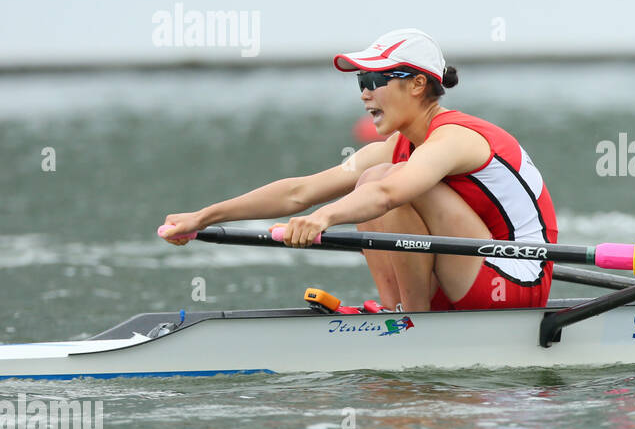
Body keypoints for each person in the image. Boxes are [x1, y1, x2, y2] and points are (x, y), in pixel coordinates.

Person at [161, 28, 558, 312]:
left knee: (380, 180)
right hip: (469, 272)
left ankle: (411, 322)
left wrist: (323, 219)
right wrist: (203, 216)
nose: (365, 91)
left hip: (516, 280)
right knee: (378, 175)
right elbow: (299, 192)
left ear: (418, 84)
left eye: (374, 78)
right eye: (360, 80)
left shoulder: (455, 138)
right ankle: (399, 310)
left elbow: (387, 194)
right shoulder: (397, 146)